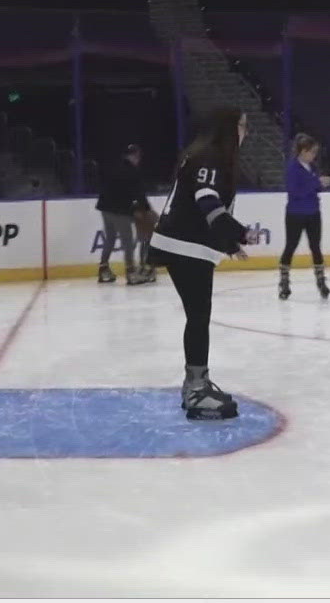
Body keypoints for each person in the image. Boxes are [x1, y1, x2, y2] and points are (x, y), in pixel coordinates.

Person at [148, 109, 251, 420]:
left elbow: (203, 206)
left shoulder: (203, 154)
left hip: (187, 245)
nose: (247, 132)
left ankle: (196, 384)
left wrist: (228, 242)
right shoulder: (209, 156)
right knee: (198, 316)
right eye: (243, 125)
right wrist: (240, 233)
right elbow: (207, 203)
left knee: (198, 315)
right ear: (229, 127)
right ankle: (195, 390)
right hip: (186, 247)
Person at [278, 134, 330, 301]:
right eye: (312, 152)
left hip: (313, 212)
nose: (314, 155)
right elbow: (295, 192)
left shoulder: (313, 167)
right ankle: (284, 281)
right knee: (291, 246)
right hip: (296, 214)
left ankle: (321, 281)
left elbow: (312, 189)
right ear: (303, 151)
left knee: (315, 247)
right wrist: (317, 183)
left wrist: (322, 184)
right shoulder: (292, 169)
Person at [95, 143, 155, 286]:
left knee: (110, 238)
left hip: (105, 208)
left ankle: (103, 270)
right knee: (127, 241)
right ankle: (131, 273)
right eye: (138, 157)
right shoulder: (132, 171)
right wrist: (147, 210)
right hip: (119, 211)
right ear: (135, 156)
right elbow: (139, 194)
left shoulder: (114, 167)